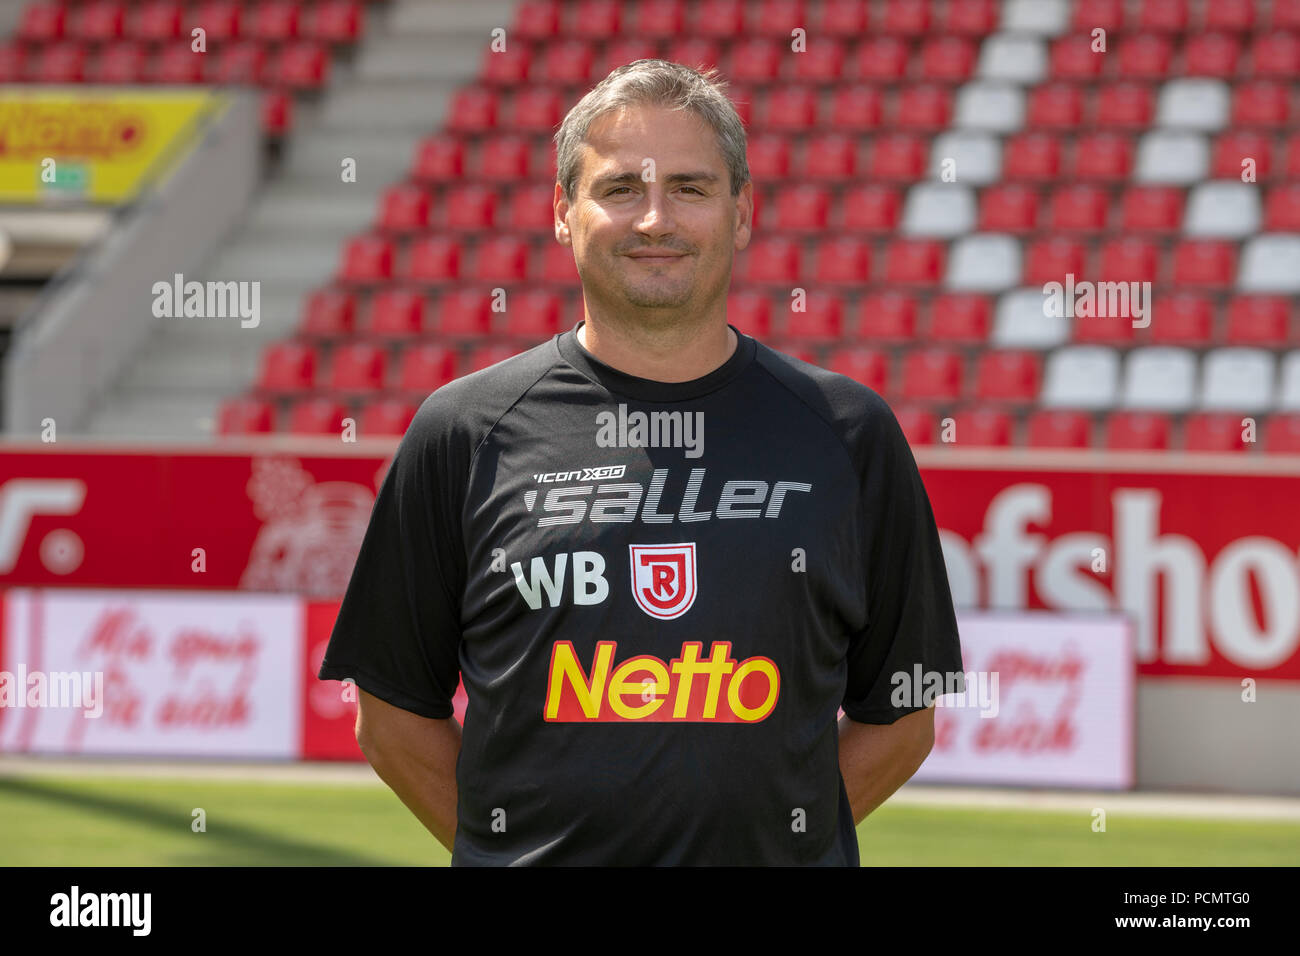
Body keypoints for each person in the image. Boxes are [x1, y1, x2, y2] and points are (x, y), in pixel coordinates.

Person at [318, 59, 964, 866]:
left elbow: (902, 715)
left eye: (690, 189)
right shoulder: (461, 432)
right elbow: (391, 715)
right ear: (564, 213)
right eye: (621, 189)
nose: (656, 219)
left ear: (741, 214)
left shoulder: (850, 433)